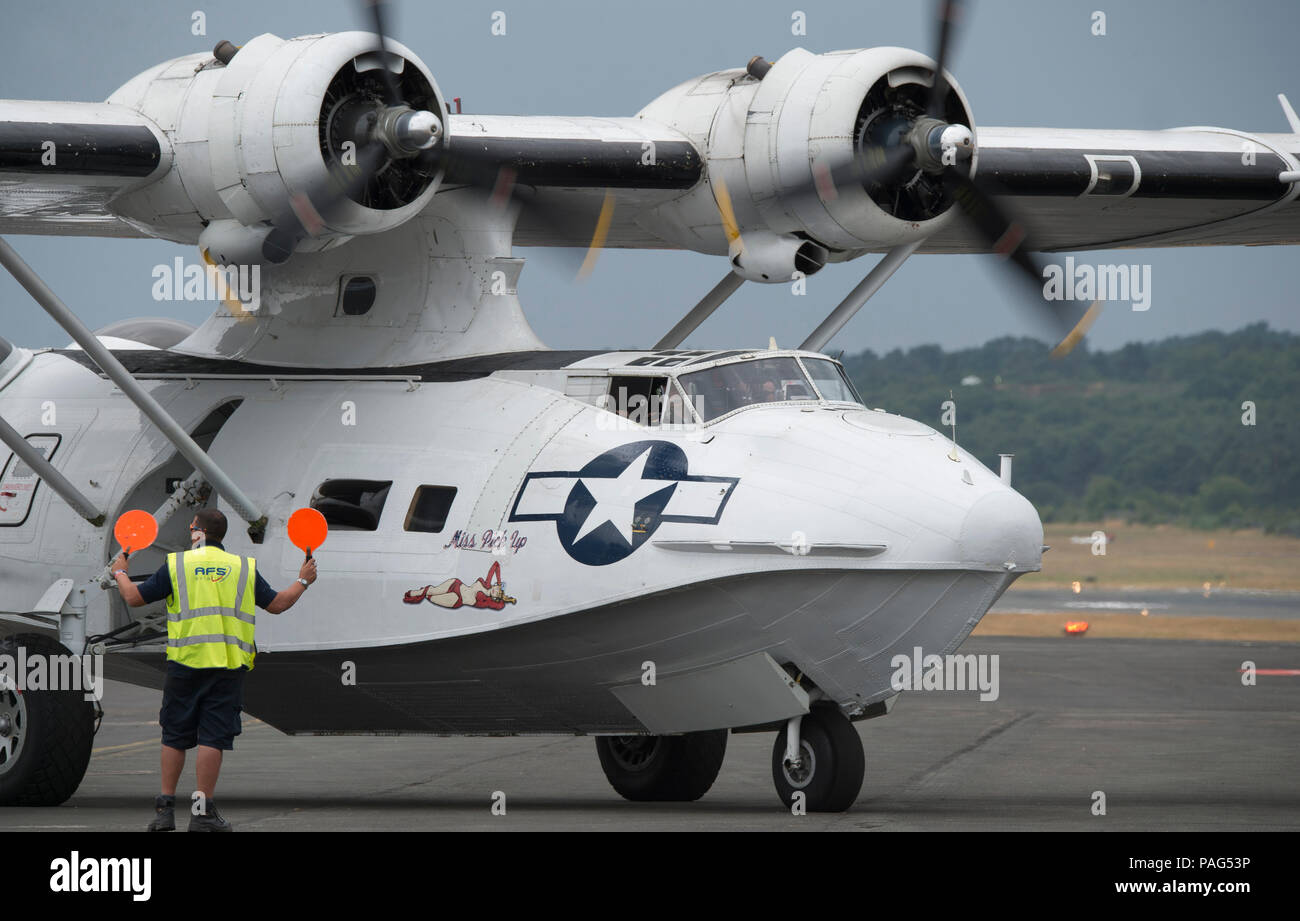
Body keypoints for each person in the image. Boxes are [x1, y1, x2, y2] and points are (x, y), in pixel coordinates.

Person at [110, 507, 317, 832]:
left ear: (197, 531)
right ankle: (201, 811)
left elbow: (134, 598)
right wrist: (304, 580)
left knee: (175, 735)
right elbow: (277, 604)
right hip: (226, 666)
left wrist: (120, 571)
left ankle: (164, 812)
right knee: (212, 736)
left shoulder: (177, 564)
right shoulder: (242, 567)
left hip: (184, 663)